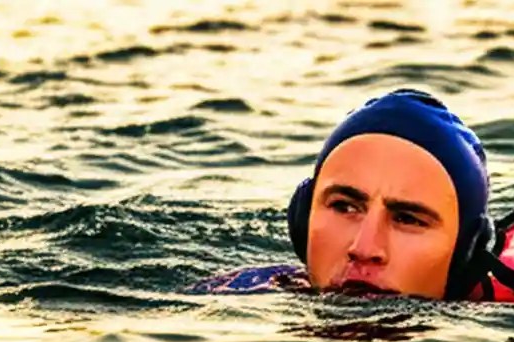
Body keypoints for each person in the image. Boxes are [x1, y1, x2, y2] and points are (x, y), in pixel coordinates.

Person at [191, 88, 496, 299]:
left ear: (465, 256)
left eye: (407, 219)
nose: (364, 249)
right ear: (302, 220)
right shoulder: (228, 298)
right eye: (344, 207)